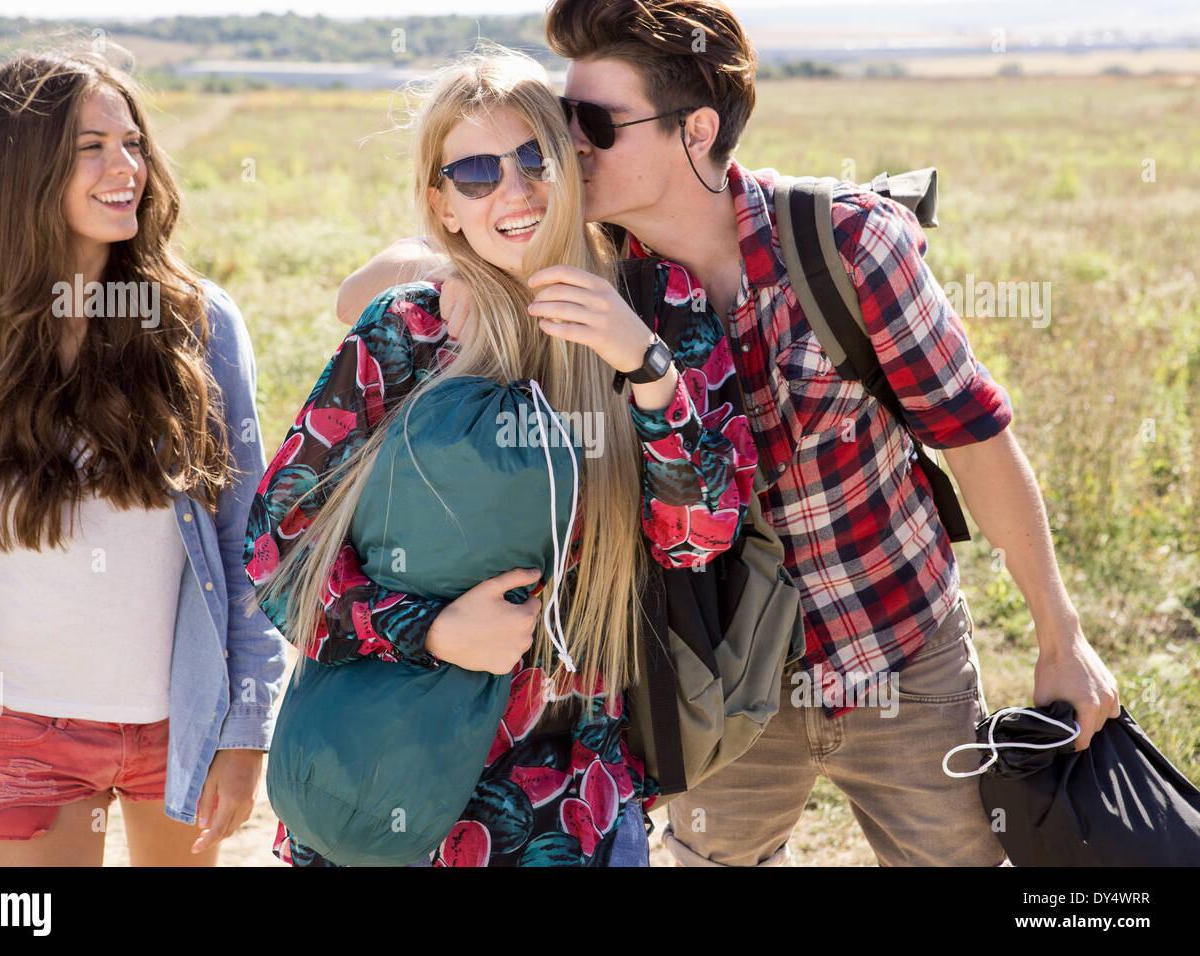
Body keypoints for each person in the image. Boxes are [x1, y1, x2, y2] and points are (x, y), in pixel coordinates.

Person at [340, 0, 1121, 867]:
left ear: (696, 129)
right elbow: (359, 299)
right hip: (721, 679)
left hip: (898, 648)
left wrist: (1062, 637)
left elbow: (974, 436)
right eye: (565, 123)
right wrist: (464, 257)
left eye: (594, 124)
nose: (571, 148)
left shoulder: (847, 245)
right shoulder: (595, 273)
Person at [243, 47, 756, 867]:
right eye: (477, 173)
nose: (513, 191)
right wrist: (434, 631)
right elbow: (274, 551)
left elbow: (698, 537)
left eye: (534, 158)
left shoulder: (657, 305)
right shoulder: (408, 331)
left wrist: (647, 372)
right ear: (444, 206)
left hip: (565, 804)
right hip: (382, 784)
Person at [0, 50, 286, 865]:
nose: (127, 168)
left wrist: (245, 732)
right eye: (91, 147)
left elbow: (251, 546)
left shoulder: (200, 327)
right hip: (20, 730)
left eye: (134, 142)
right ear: (25, 168)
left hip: (180, 723)